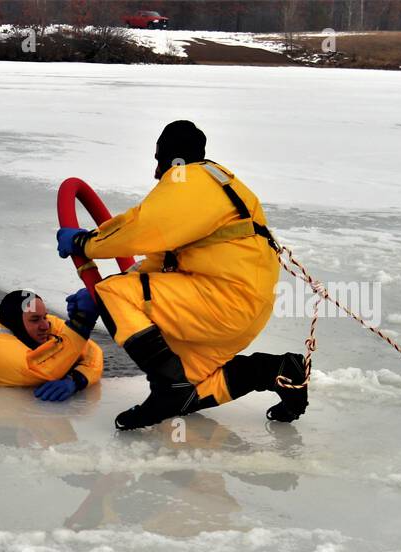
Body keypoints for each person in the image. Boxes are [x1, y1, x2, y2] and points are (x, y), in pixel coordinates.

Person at [57, 120, 307, 430]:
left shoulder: (187, 179)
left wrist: (85, 243)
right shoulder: (219, 183)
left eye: (157, 161)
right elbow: (162, 258)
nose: (155, 173)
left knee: (114, 293)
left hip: (220, 301)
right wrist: (98, 295)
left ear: (169, 156)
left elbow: (143, 227)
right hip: (243, 308)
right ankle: (278, 370)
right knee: (193, 388)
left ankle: (167, 386)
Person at [0, 289, 103, 402]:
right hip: (0, 404)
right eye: (35, 319)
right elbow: (42, 369)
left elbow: (93, 350)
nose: (45, 325)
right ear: (16, 323)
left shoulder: (32, 324)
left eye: (44, 317)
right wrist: (82, 321)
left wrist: (77, 378)